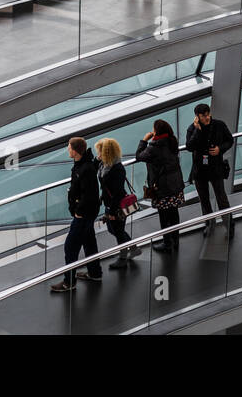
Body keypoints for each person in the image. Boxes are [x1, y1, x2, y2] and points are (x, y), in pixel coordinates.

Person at [50, 136, 102, 291]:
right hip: (87, 213)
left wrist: (78, 212)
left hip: (84, 215)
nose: (68, 149)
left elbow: (89, 194)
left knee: (70, 247)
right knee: (89, 242)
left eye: (69, 147)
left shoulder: (85, 169)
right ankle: (95, 272)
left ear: (75, 150)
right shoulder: (83, 165)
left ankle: (69, 282)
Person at [184, 102, 234, 236]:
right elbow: (189, 146)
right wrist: (197, 131)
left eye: (208, 115)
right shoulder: (192, 129)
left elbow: (230, 140)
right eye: (203, 116)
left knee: (221, 197)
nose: (207, 118)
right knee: (204, 200)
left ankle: (229, 226)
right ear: (197, 117)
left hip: (215, 167)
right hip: (200, 170)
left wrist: (220, 149)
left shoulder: (219, 125)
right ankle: (209, 224)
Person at [136, 119, 185, 252]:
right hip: (175, 184)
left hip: (163, 187)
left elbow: (139, 156)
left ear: (156, 131)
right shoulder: (172, 141)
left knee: (164, 216)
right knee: (174, 213)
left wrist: (144, 140)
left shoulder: (154, 147)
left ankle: (167, 244)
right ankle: (175, 241)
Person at [95, 137, 142, 269]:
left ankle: (123, 257)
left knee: (118, 230)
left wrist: (111, 211)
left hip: (116, 205)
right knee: (114, 229)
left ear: (106, 153)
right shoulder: (104, 165)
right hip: (109, 203)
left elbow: (116, 192)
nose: (97, 154)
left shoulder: (117, 169)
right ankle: (133, 248)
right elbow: (105, 186)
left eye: (100, 151)